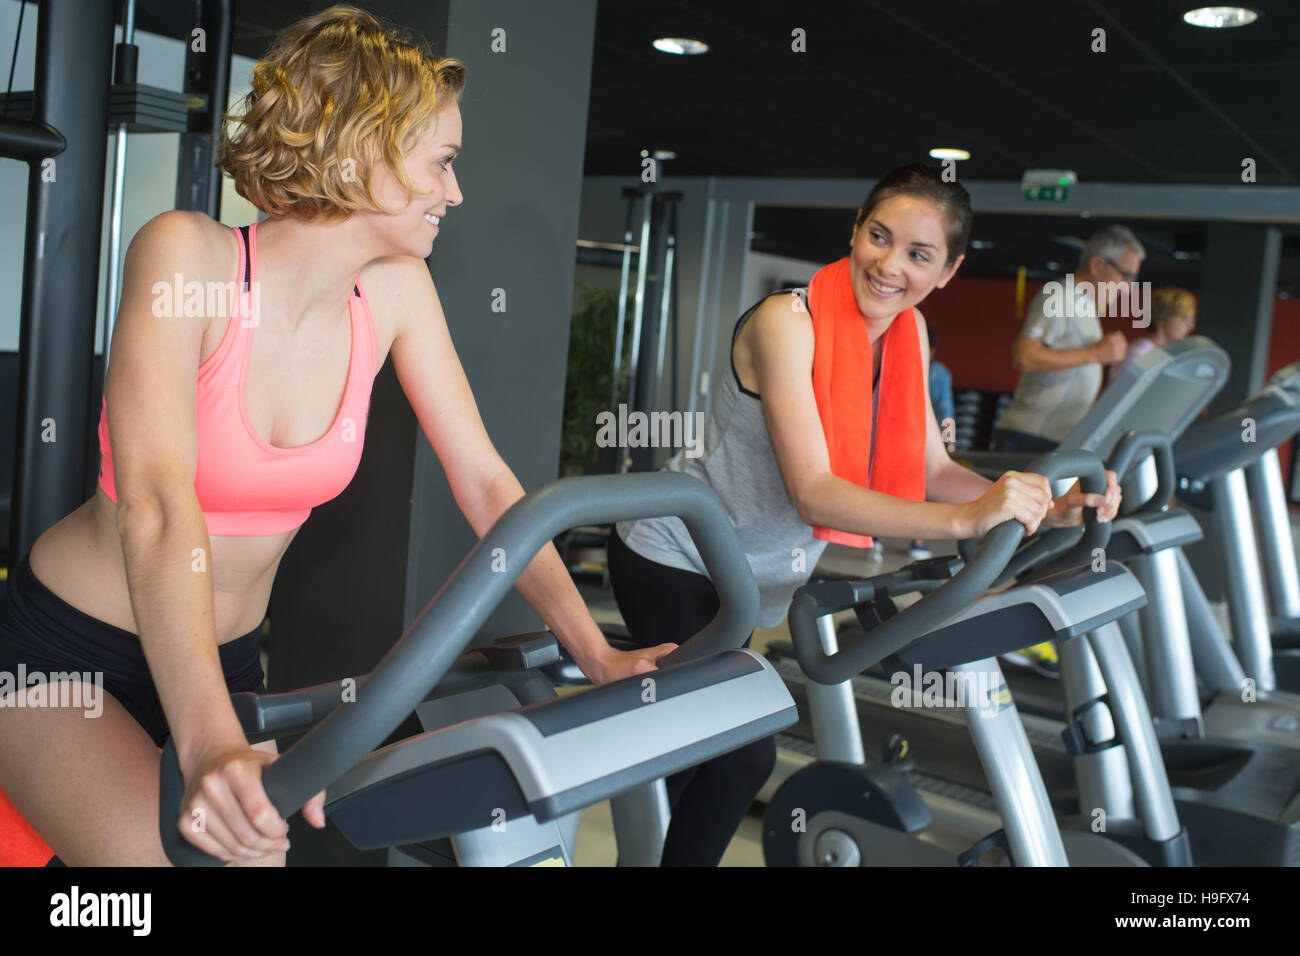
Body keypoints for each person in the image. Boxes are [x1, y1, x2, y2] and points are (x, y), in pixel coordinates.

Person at [0, 5, 668, 867]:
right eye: (443, 162)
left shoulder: (392, 296)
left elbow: (487, 486)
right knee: (156, 869)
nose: (455, 192)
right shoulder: (189, 259)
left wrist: (598, 656)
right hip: (72, 659)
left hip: (227, 668)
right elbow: (159, 507)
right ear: (362, 150)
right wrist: (206, 745)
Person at [607, 163, 1122, 866]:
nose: (889, 264)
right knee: (738, 755)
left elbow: (932, 471)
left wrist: (1047, 507)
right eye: (878, 236)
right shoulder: (787, 324)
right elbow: (814, 491)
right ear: (854, 228)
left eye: (919, 254)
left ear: (948, 270)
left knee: (711, 754)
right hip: (676, 555)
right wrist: (971, 519)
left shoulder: (908, 338)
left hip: (753, 574)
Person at [991, 225, 1145, 452]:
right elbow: (1025, 357)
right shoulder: (1060, 296)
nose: (1129, 287)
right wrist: (1095, 354)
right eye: (1126, 276)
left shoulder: (1087, 306)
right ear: (1098, 265)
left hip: (1054, 439)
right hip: (1031, 436)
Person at [911, 327, 955, 559]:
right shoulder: (938, 371)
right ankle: (915, 540)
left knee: (918, 485)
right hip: (916, 438)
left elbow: (946, 410)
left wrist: (948, 441)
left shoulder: (936, 372)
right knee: (915, 486)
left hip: (913, 437)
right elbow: (946, 410)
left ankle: (876, 537)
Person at [1106, 287, 1197, 385]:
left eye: (1191, 320)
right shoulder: (1140, 354)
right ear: (1163, 317)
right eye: (1184, 319)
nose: (1191, 326)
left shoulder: (1154, 353)